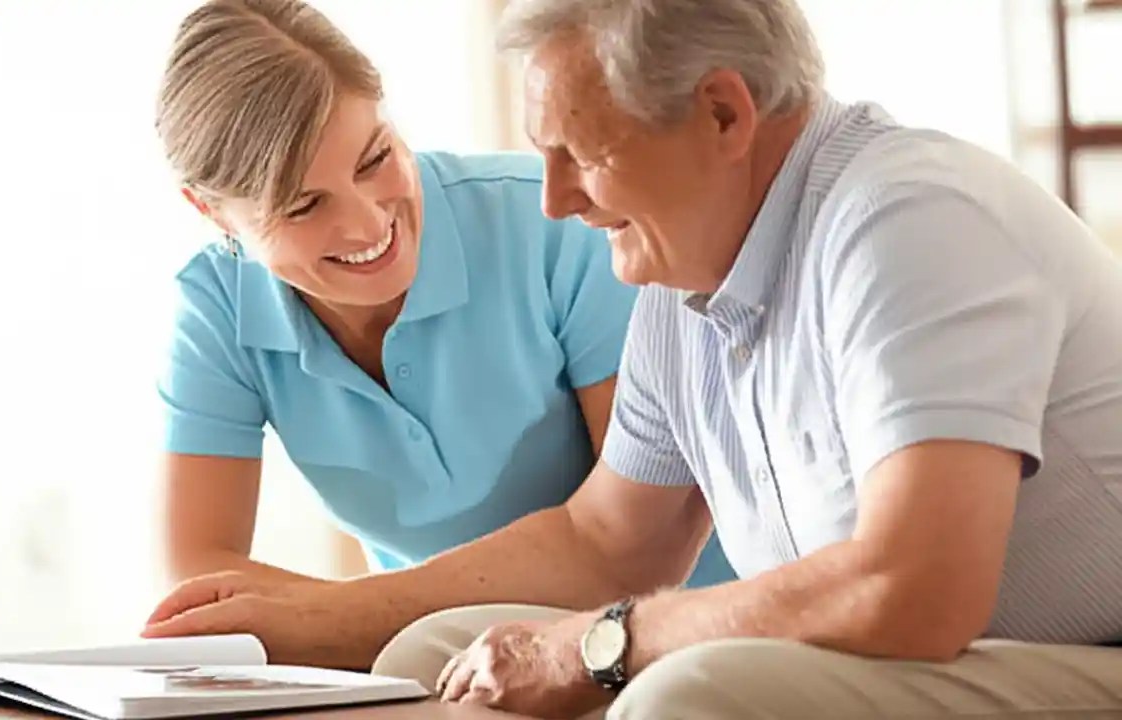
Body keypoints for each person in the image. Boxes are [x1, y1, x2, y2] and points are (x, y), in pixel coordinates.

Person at [143, 0, 1122, 718]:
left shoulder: (903, 218)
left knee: (685, 696)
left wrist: (606, 642)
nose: (554, 200)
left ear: (722, 115)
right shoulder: (682, 283)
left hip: (1068, 649)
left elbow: (914, 589)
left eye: (581, 154)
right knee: (431, 653)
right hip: (928, 653)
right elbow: (608, 541)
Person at [149, 0, 737, 619]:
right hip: (436, 654)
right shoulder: (219, 307)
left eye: (374, 159)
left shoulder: (560, 229)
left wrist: (340, 617)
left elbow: (634, 541)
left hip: (672, 632)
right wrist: (361, 619)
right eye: (303, 207)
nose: (368, 222)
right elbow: (199, 572)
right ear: (211, 211)